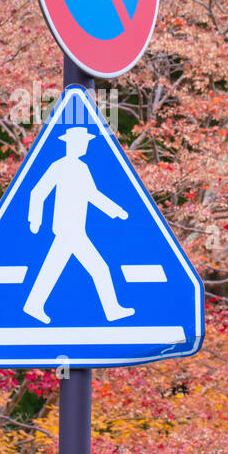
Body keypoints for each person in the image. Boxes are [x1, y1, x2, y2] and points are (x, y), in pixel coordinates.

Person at [23, 125, 134, 324]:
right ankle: (112, 310)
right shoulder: (60, 166)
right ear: (72, 144)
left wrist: (116, 211)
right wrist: (35, 220)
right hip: (67, 229)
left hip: (75, 229)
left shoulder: (82, 167)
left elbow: (92, 194)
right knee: (99, 268)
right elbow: (38, 192)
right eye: (83, 142)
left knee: (54, 268)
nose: (85, 146)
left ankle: (33, 305)